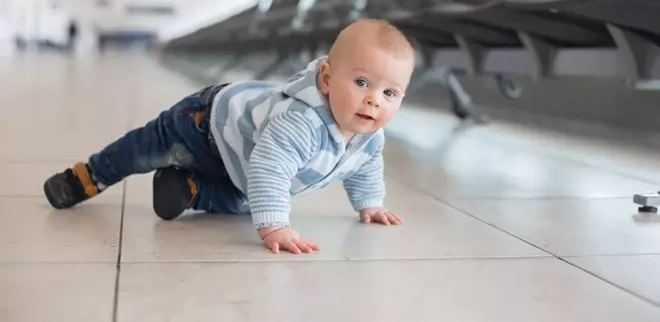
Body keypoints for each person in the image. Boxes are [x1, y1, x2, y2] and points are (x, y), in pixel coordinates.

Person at [43, 19, 414, 255]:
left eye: (389, 93)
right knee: (146, 150)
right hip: (205, 125)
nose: (373, 100)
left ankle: (188, 188)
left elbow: (365, 167)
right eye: (362, 82)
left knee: (249, 200)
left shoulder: (369, 136)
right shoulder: (302, 122)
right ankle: (89, 176)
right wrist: (276, 227)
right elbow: (269, 169)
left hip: (242, 158)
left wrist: (369, 204)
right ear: (328, 80)